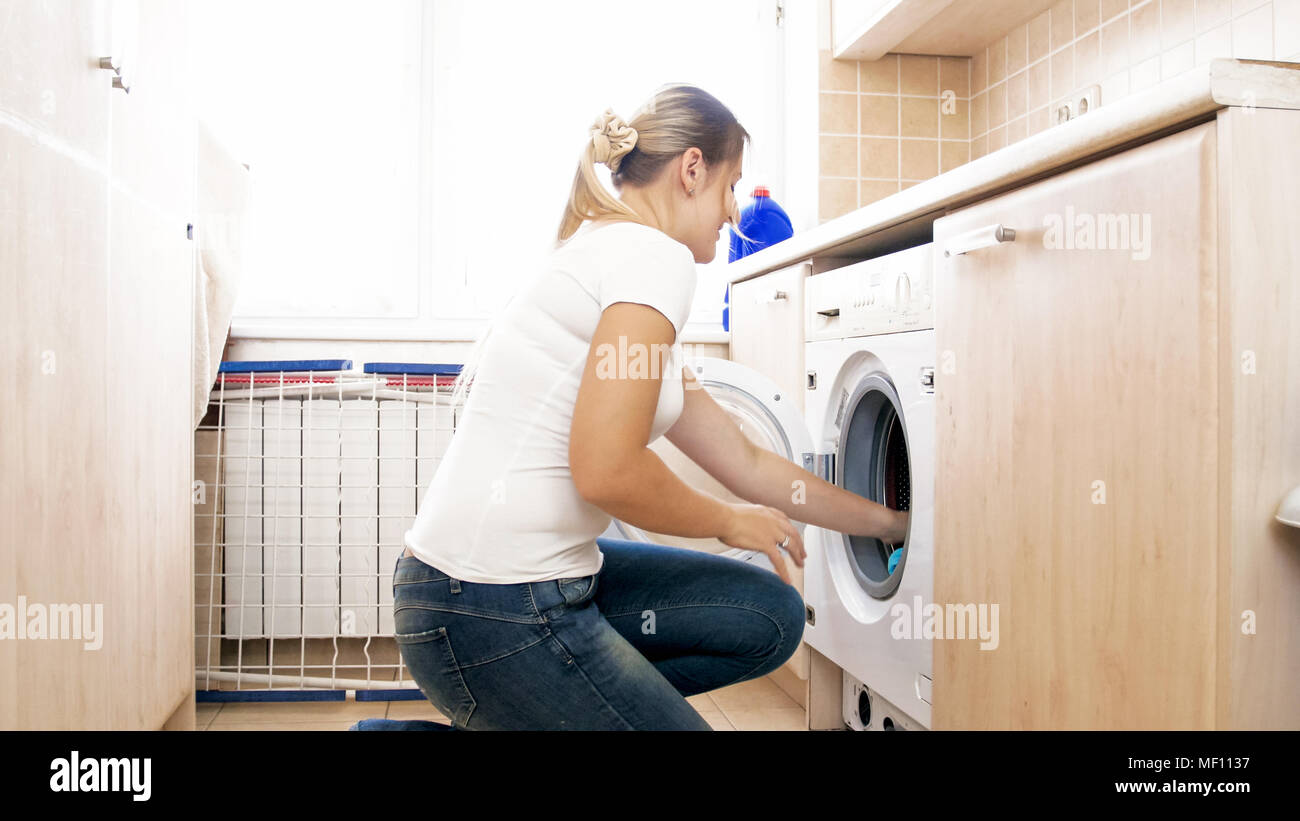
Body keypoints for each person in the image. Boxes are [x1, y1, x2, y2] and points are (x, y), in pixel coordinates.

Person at [387, 84, 908, 731]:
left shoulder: (617, 255)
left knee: (767, 617)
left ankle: (552, 708)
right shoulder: (651, 259)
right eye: (730, 185)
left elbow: (744, 458)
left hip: (486, 591)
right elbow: (606, 469)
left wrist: (886, 521)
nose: (733, 211)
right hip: (489, 606)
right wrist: (726, 520)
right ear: (692, 169)